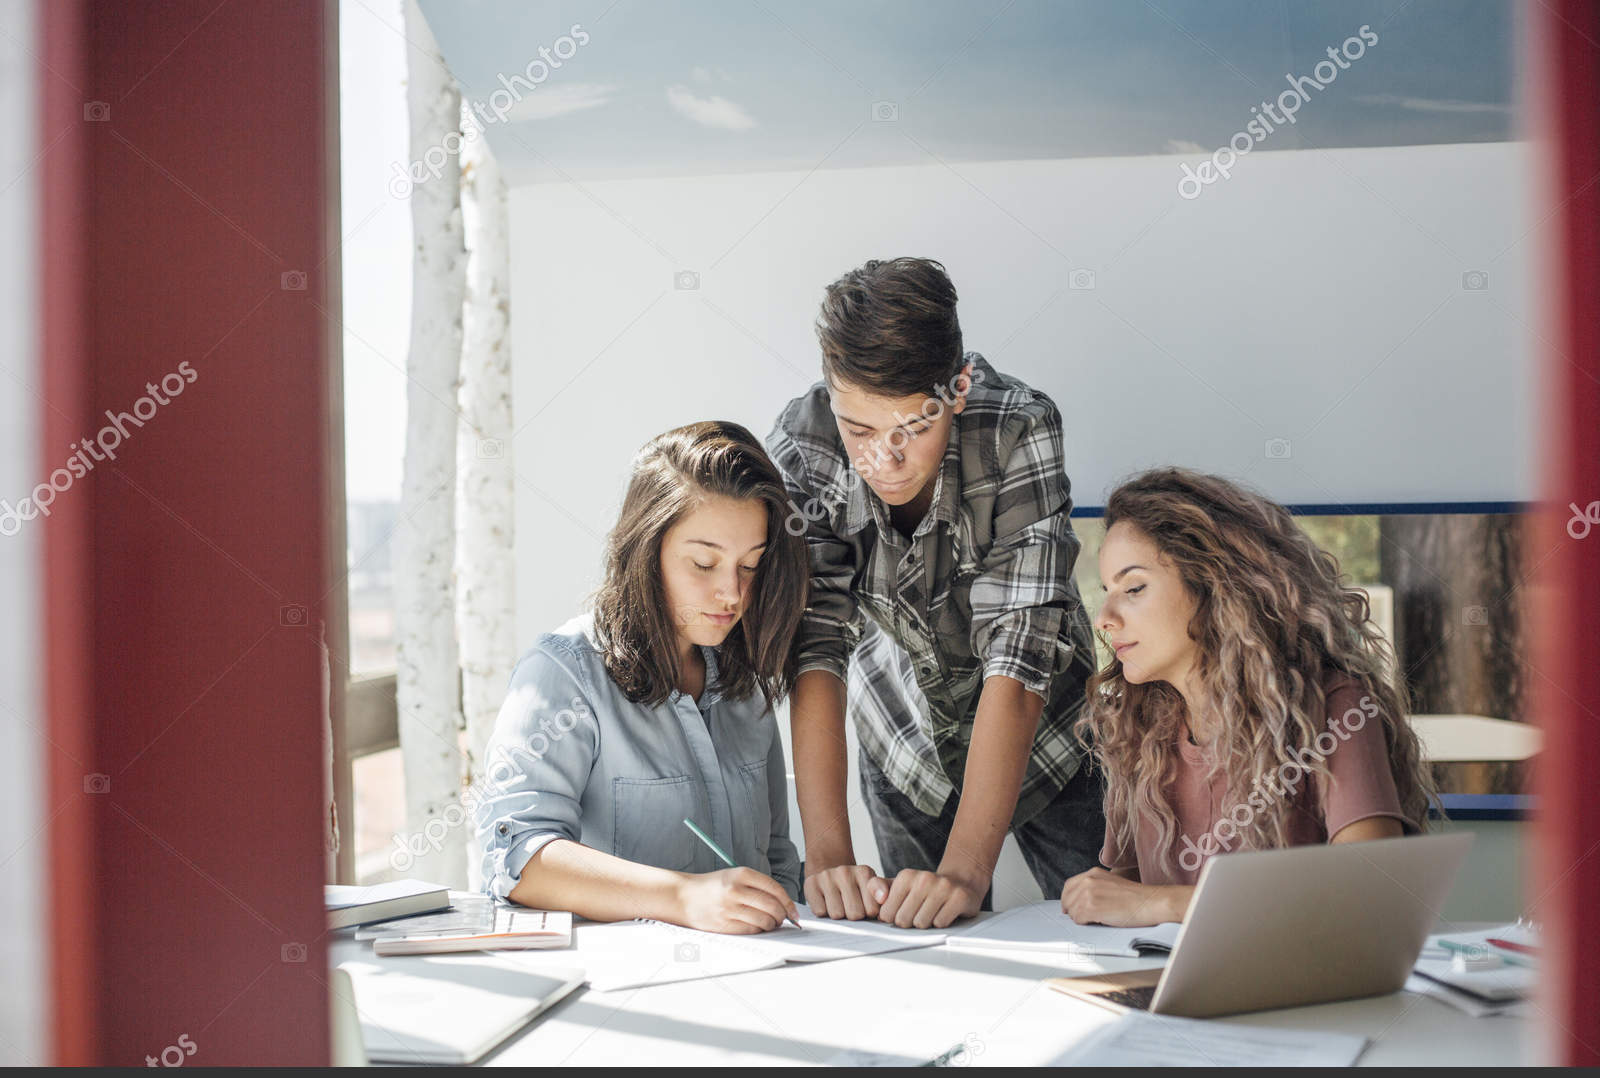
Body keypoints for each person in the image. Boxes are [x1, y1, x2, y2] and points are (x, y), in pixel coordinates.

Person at [767, 257, 1106, 930]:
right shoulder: (805, 445)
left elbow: (1020, 654)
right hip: (903, 738)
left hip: (1052, 737)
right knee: (923, 946)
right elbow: (815, 649)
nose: (884, 461)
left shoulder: (1018, 427)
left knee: (1110, 935)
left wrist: (966, 869)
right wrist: (827, 858)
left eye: (913, 429)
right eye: (859, 430)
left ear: (957, 389)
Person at [1061, 467, 1441, 928]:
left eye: (1134, 588)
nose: (1104, 617)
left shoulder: (1332, 706)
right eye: (1107, 592)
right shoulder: (1136, 726)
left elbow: (1369, 894)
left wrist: (1162, 904)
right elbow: (1126, 892)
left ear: (1215, 583)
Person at [473, 421, 809, 934]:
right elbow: (518, 856)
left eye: (750, 565)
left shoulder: (744, 686)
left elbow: (776, 857)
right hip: (614, 979)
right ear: (646, 552)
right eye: (704, 563)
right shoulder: (563, 673)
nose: (733, 594)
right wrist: (682, 897)